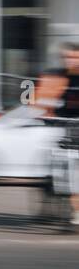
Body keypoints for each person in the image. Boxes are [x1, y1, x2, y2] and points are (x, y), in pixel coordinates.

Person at [36, 43, 79, 224]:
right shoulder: (56, 76)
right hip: (64, 128)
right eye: (68, 57)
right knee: (65, 168)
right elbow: (37, 99)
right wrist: (44, 114)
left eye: (76, 57)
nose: (72, 61)